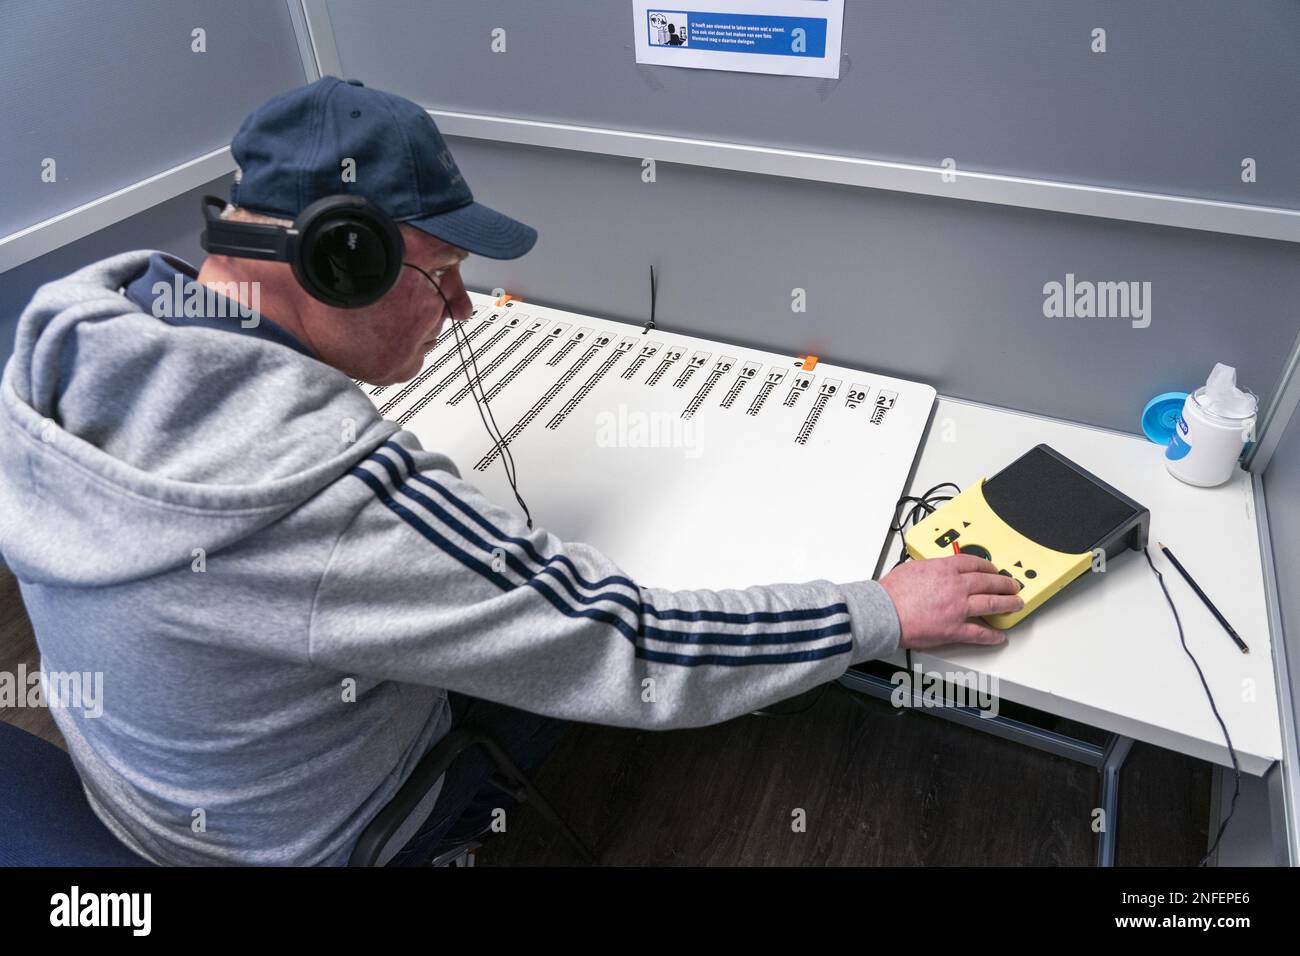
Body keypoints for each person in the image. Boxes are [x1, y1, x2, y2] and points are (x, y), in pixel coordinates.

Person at [0, 77, 1021, 866]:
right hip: (317, 837)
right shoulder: (336, 505)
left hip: (147, 794)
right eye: (439, 276)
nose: (461, 313)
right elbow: (638, 647)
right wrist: (877, 609)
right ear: (334, 263)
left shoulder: (71, 344)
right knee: (617, 611)